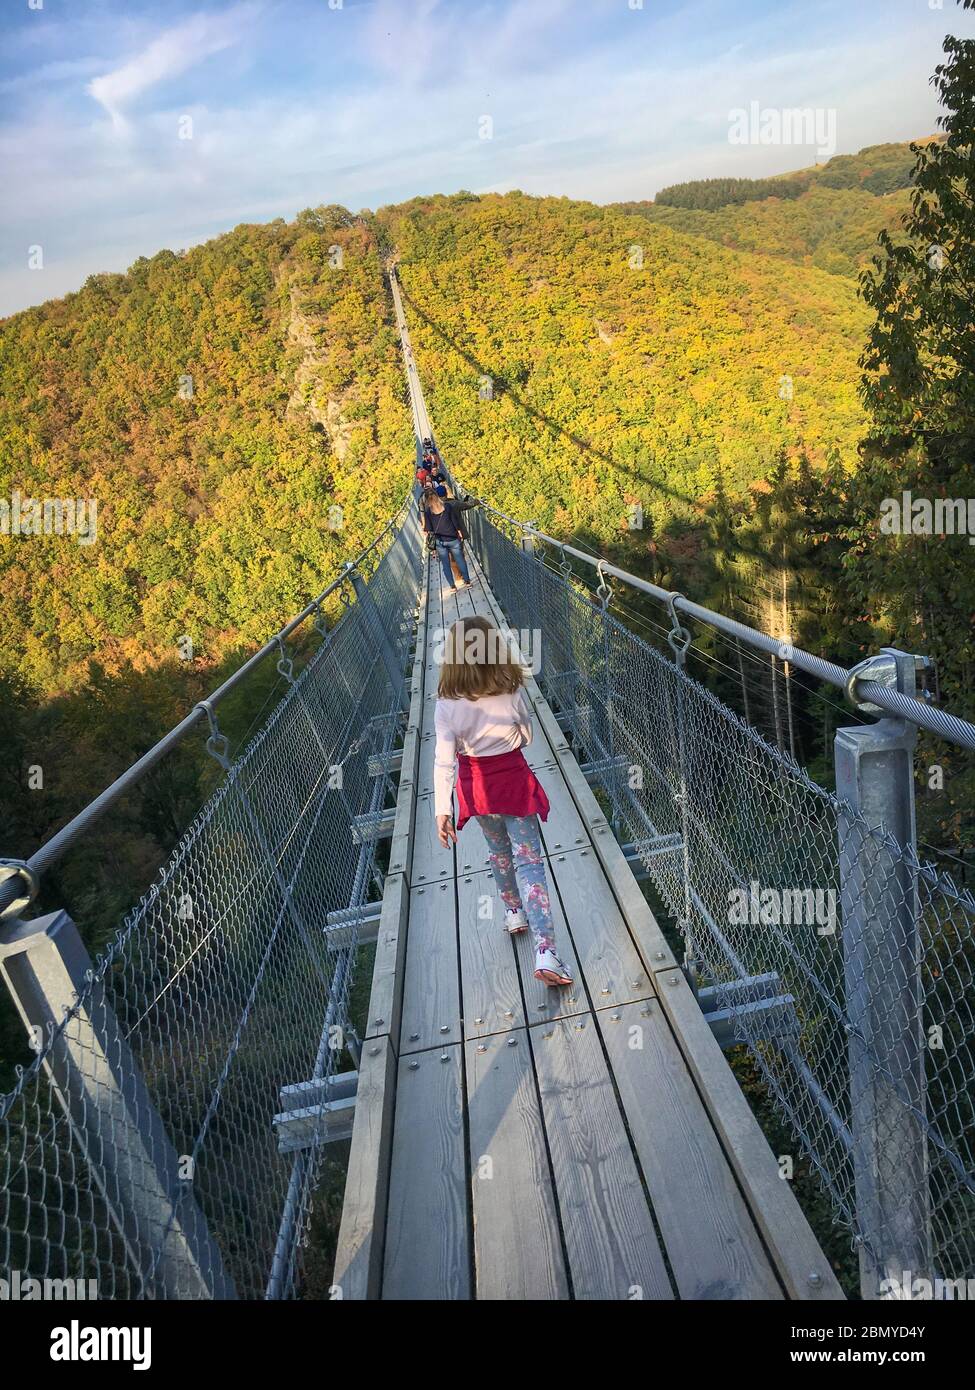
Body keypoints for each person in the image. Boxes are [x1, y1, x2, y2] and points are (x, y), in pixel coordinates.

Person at [433, 616, 573, 986]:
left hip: (477, 790)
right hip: (512, 781)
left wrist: (442, 810)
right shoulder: (510, 689)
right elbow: (525, 732)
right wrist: (514, 738)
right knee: (529, 862)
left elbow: (444, 760)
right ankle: (546, 951)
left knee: (498, 852)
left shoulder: (446, 704)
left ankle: (513, 912)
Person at [420, 485, 477, 591]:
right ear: (437, 496)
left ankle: (452, 586)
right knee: (460, 560)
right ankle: (467, 582)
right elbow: (454, 521)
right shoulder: (447, 506)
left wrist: (432, 547)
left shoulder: (428, 511)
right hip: (453, 538)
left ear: (427, 500)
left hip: (440, 541)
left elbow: (429, 529)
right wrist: (459, 532)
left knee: (446, 565)